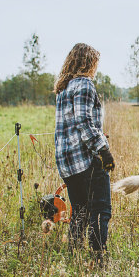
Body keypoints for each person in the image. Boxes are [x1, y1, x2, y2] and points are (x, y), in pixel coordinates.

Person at [54, 43, 115, 262]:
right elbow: (84, 122)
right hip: (84, 158)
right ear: (90, 62)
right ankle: (99, 256)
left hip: (66, 161)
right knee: (100, 207)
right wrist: (103, 150)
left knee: (79, 208)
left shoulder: (64, 88)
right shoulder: (84, 85)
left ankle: (74, 252)